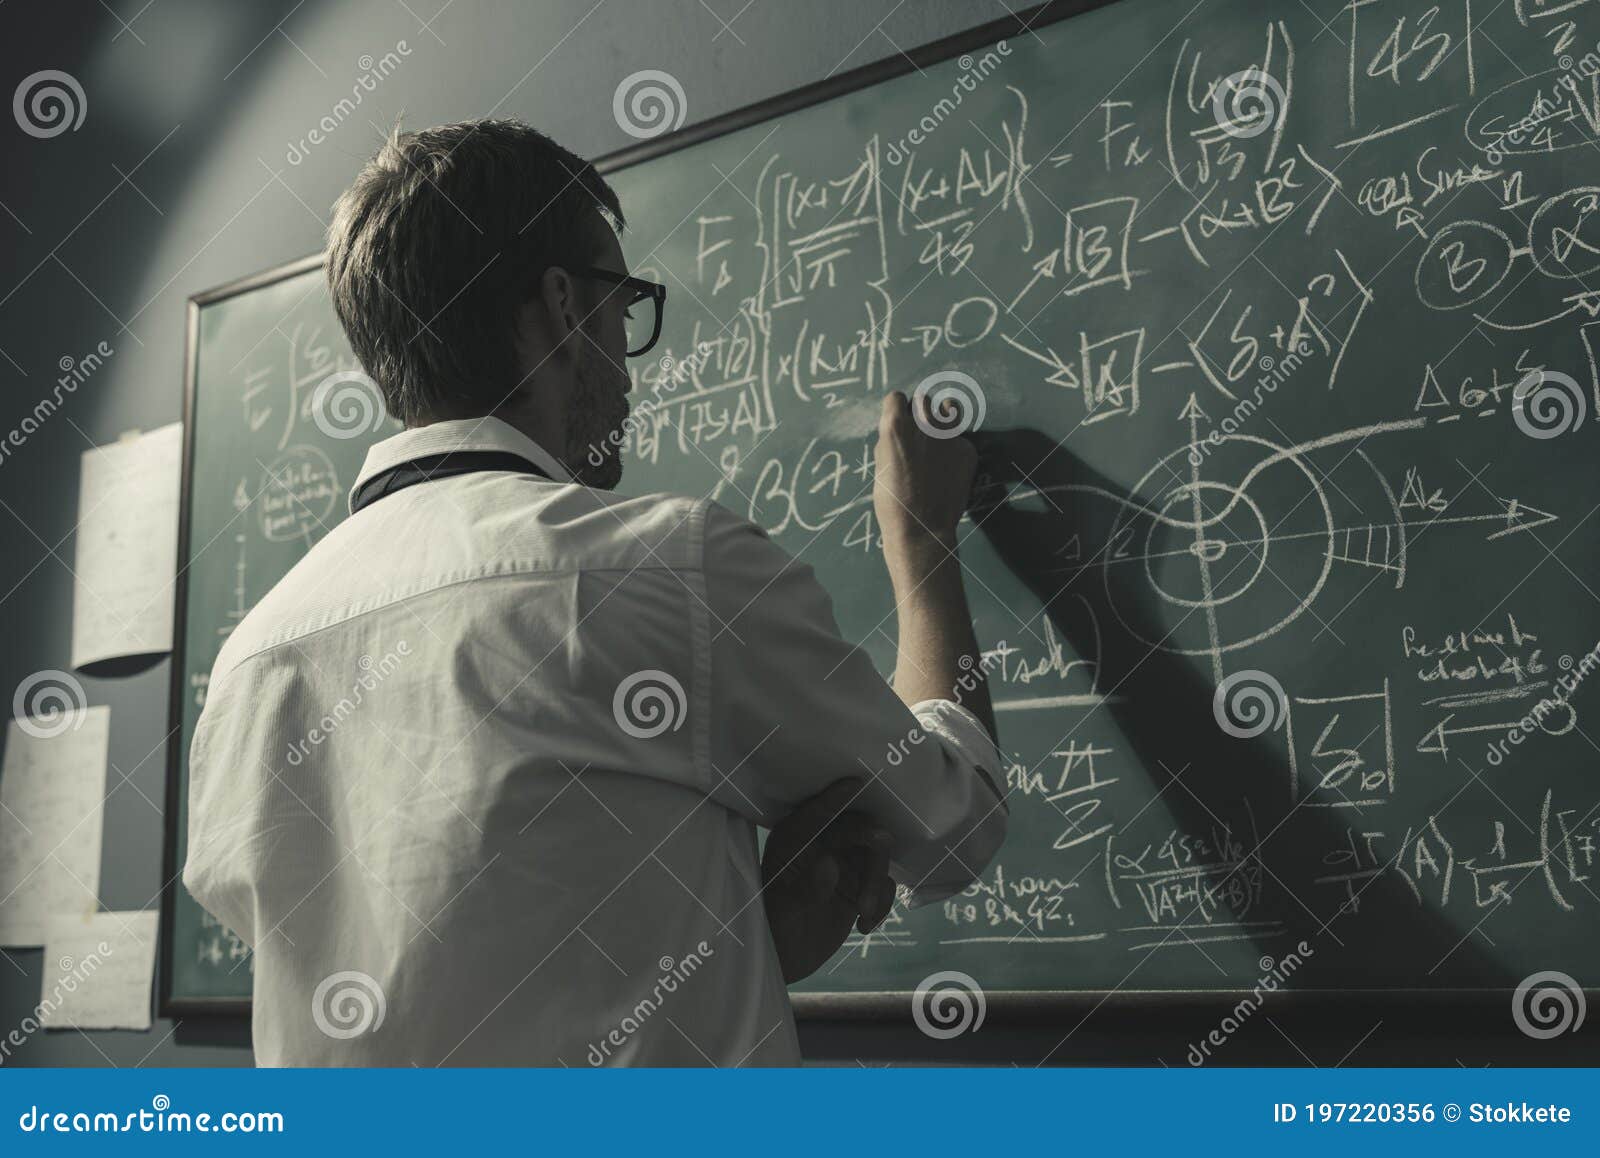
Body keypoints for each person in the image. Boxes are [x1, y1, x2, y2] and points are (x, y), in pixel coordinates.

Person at [183, 118, 1006, 1066]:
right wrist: (922, 542)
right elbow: (952, 822)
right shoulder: (665, 569)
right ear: (565, 306)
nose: (626, 358)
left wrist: (741, 937)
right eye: (623, 304)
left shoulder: (250, 662)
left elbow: (437, 988)